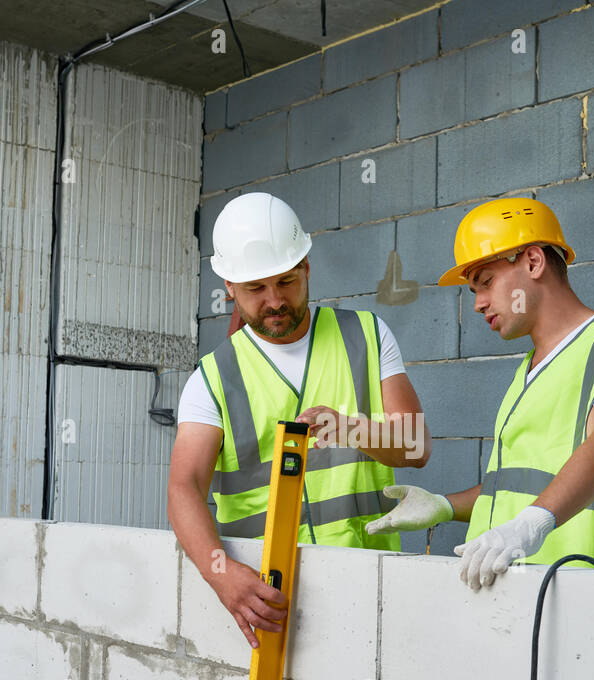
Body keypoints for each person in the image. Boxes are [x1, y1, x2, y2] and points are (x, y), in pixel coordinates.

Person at [169, 192, 432, 647]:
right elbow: (182, 487)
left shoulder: (366, 336)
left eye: (287, 281)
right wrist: (222, 575)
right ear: (229, 286)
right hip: (263, 601)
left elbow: (417, 448)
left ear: (307, 267)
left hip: (367, 589)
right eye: (255, 289)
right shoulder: (211, 379)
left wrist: (353, 428)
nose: (275, 301)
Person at [366, 198, 594, 590]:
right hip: (517, 593)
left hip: (593, 591)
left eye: (486, 282)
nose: (478, 304)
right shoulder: (528, 370)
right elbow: (511, 489)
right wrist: (442, 505)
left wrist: (530, 525)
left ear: (533, 262)